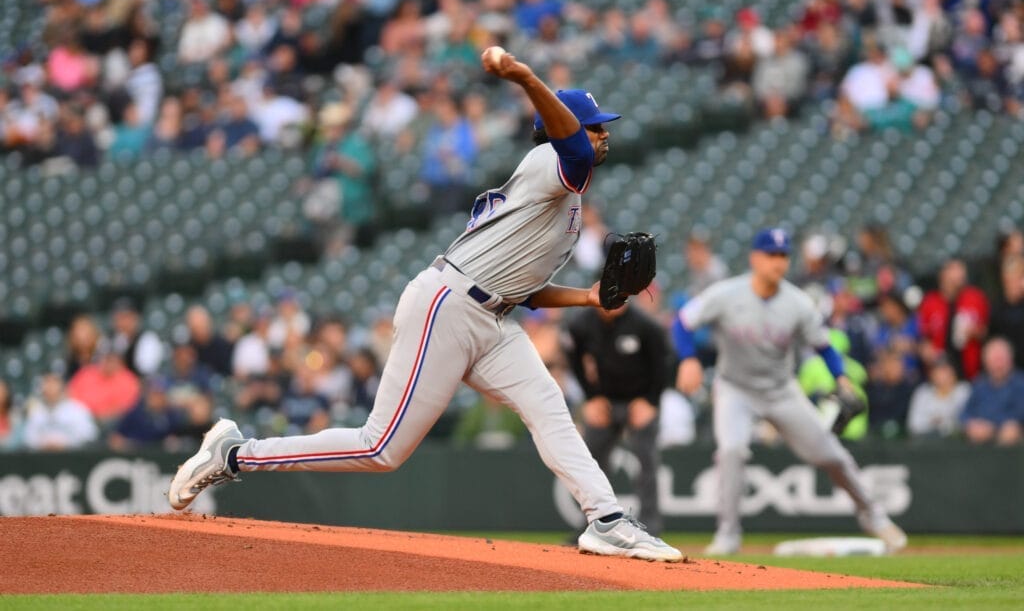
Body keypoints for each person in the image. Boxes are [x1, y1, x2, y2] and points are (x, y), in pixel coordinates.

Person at [169, 48, 682, 562]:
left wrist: (588, 296)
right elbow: (570, 143)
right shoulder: (555, 161)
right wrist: (524, 76)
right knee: (380, 449)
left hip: (492, 315)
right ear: (558, 129)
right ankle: (235, 455)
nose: (602, 134)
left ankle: (607, 519)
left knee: (549, 408)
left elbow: (519, 287)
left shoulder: (562, 198)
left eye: (601, 127)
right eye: (593, 127)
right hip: (449, 305)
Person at [674, 228, 906, 555]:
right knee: (732, 451)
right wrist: (688, 360)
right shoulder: (727, 293)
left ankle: (873, 514)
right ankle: (728, 535)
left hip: (781, 390)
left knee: (830, 453)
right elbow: (683, 322)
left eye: (783, 255)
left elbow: (824, 347)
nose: (778, 262)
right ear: (755, 258)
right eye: (771, 254)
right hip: (735, 389)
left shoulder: (798, 302)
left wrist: (840, 378)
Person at [565, 301, 671, 535]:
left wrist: (651, 401)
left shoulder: (646, 324)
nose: (617, 300)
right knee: (591, 463)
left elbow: (663, 363)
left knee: (647, 463)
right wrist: (591, 397)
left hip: (640, 401)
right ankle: (591, 526)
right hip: (605, 400)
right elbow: (574, 361)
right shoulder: (581, 324)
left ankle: (650, 528)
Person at [961, 338, 1024, 446]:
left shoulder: (1020, 383)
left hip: (1012, 441)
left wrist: (993, 427)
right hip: (981, 441)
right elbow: (964, 413)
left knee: (1011, 432)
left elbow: (1020, 414)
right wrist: (972, 424)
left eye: (1001, 359)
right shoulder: (979, 384)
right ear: (986, 362)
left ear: (1010, 360)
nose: (998, 365)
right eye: (994, 360)